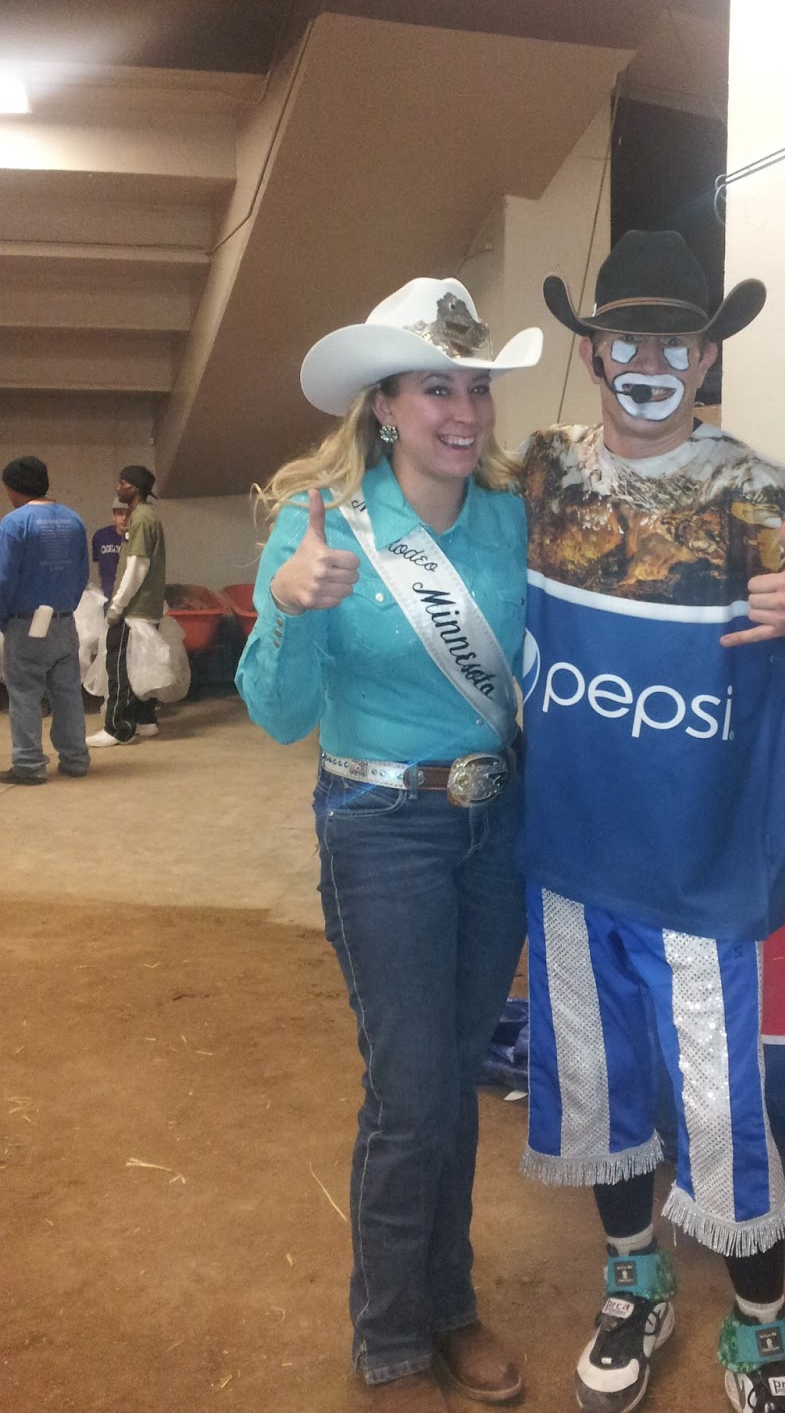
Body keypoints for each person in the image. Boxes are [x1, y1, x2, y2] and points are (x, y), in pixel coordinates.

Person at [517, 231, 785, 1413]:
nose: (648, 359)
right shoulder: (536, 476)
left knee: (723, 1110)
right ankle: (633, 1281)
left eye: (673, 339)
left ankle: (761, 1326)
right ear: (590, 352)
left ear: (705, 353)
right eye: (625, 335)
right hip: (570, 857)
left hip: (702, 867)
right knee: (595, 1084)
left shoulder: (763, 493)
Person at [237, 277, 543, 1413]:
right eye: (435, 388)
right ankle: (390, 1337)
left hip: (495, 822)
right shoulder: (322, 523)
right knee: (411, 1091)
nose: (463, 410)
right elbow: (275, 715)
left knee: (451, 1080)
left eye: (475, 386)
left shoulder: (512, 512)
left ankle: (449, 1301)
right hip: (384, 829)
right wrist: (290, 602)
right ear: (383, 404)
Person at [0, 456, 91, 784]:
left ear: (13, 487)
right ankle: (76, 760)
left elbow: (4, 578)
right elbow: (82, 574)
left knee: (24, 693)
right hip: (65, 621)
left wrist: (2, 620)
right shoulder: (73, 520)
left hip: (25, 622)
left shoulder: (14, 523)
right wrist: (66, 607)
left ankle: (29, 766)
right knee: (67, 693)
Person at [87, 464, 167, 746]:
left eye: (121, 483)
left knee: (119, 667)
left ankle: (117, 728)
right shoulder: (146, 516)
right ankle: (145, 720)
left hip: (134, 610)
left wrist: (117, 607)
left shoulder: (141, 520)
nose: (117, 488)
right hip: (145, 609)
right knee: (140, 667)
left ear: (134, 487)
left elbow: (137, 567)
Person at [91, 499, 130, 599]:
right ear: (113, 516)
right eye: (120, 514)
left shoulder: (138, 537)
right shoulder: (101, 536)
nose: (124, 518)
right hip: (107, 593)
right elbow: (97, 564)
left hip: (130, 594)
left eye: (128, 514)